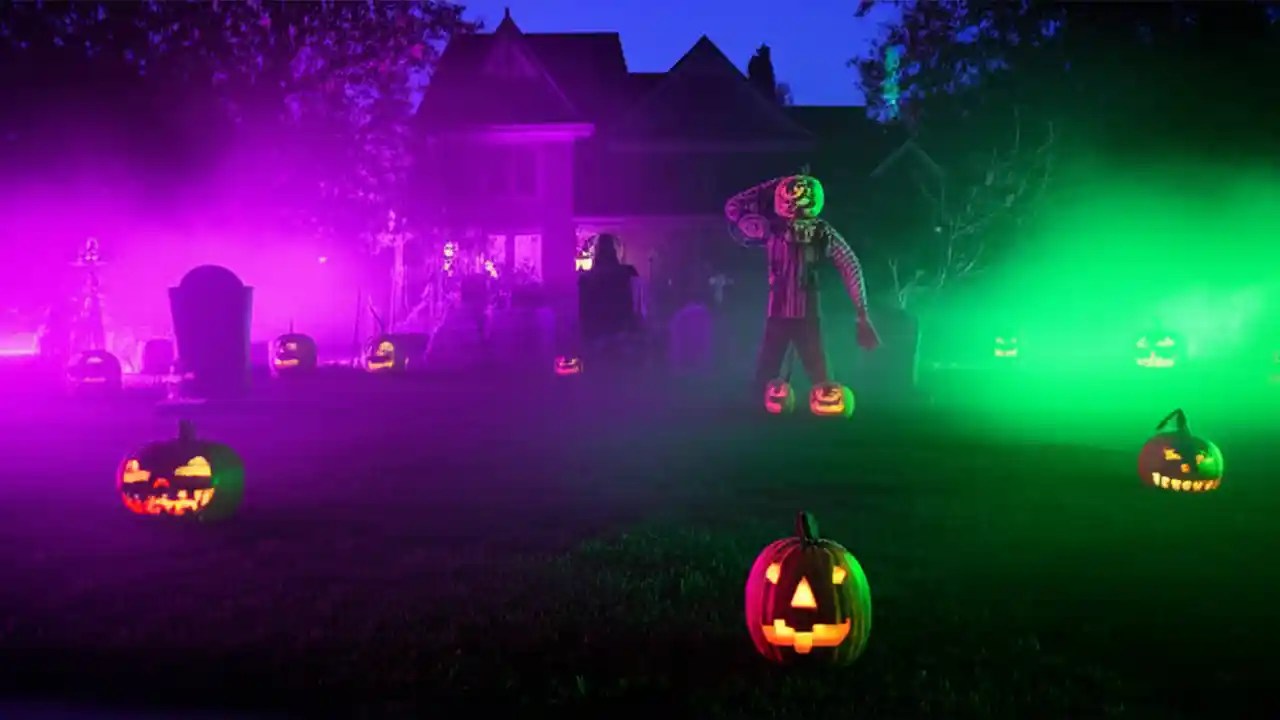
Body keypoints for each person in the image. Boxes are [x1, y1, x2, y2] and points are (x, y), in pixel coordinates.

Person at [724, 171, 880, 394]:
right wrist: (778, 183)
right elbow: (733, 207)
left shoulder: (819, 233)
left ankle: (797, 398)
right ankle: (766, 401)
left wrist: (862, 312)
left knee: (817, 375)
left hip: (805, 312)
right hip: (781, 312)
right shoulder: (773, 229)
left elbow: (850, 265)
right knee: (770, 376)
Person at [577, 234, 644, 362]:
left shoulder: (586, 278)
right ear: (615, 250)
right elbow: (638, 305)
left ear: (596, 251)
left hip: (597, 338)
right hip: (622, 335)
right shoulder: (628, 272)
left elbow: (583, 313)